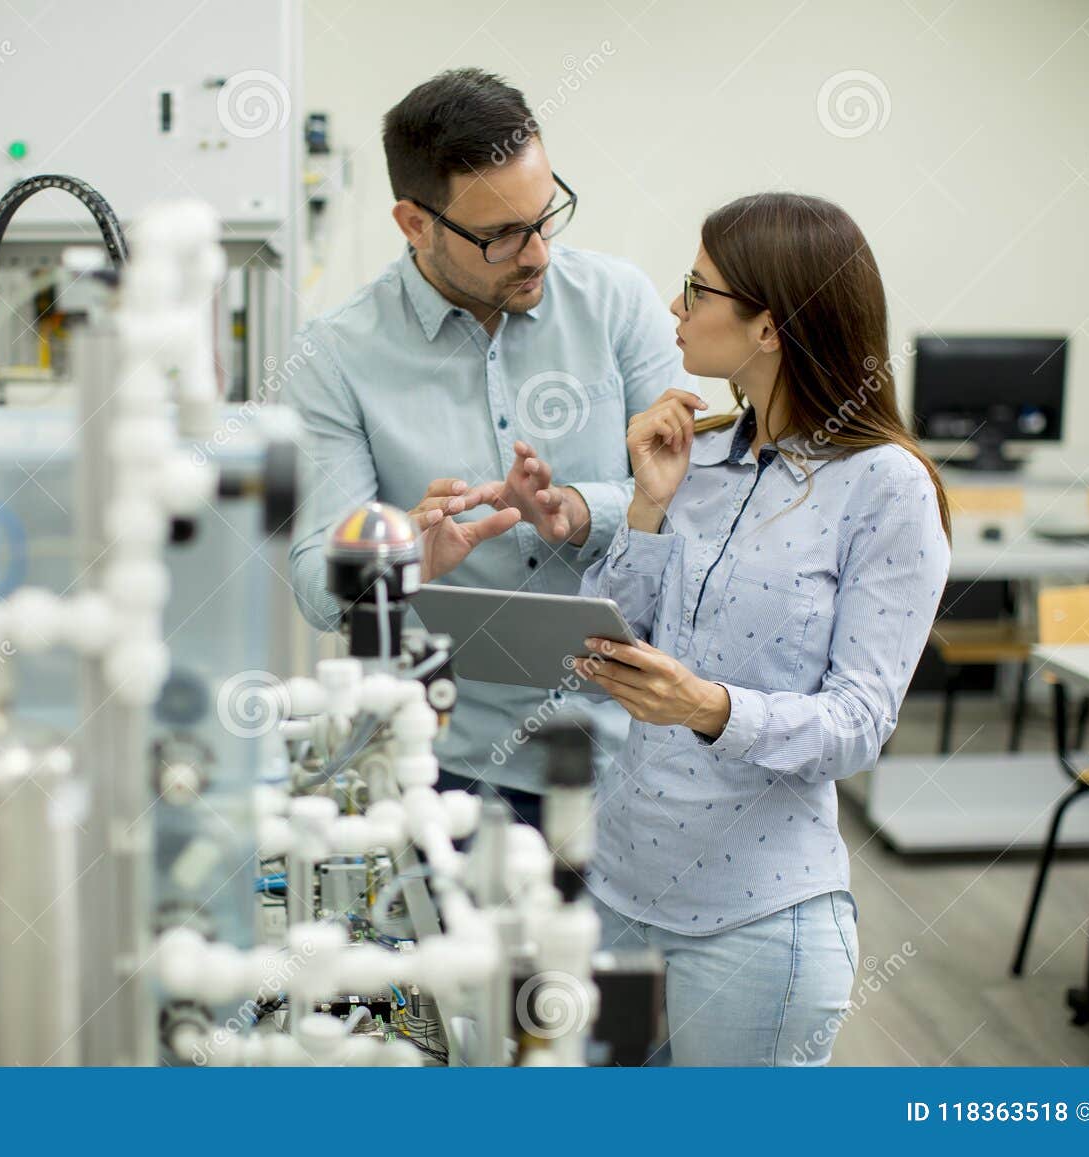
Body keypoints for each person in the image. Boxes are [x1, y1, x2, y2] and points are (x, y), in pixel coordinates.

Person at [573, 192, 952, 1065]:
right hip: (619, 893)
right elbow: (608, 642)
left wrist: (711, 707)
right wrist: (646, 505)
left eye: (695, 290)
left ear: (767, 328)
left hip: (757, 917)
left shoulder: (886, 488)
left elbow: (859, 722)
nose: (675, 309)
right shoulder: (693, 456)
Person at [285, 68, 694, 823]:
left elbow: (696, 508)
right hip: (451, 772)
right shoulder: (334, 355)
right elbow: (315, 581)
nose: (537, 253)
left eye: (546, 216)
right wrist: (395, 555)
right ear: (414, 223)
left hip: (636, 756)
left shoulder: (618, 304)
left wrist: (579, 509)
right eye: (502, 234)